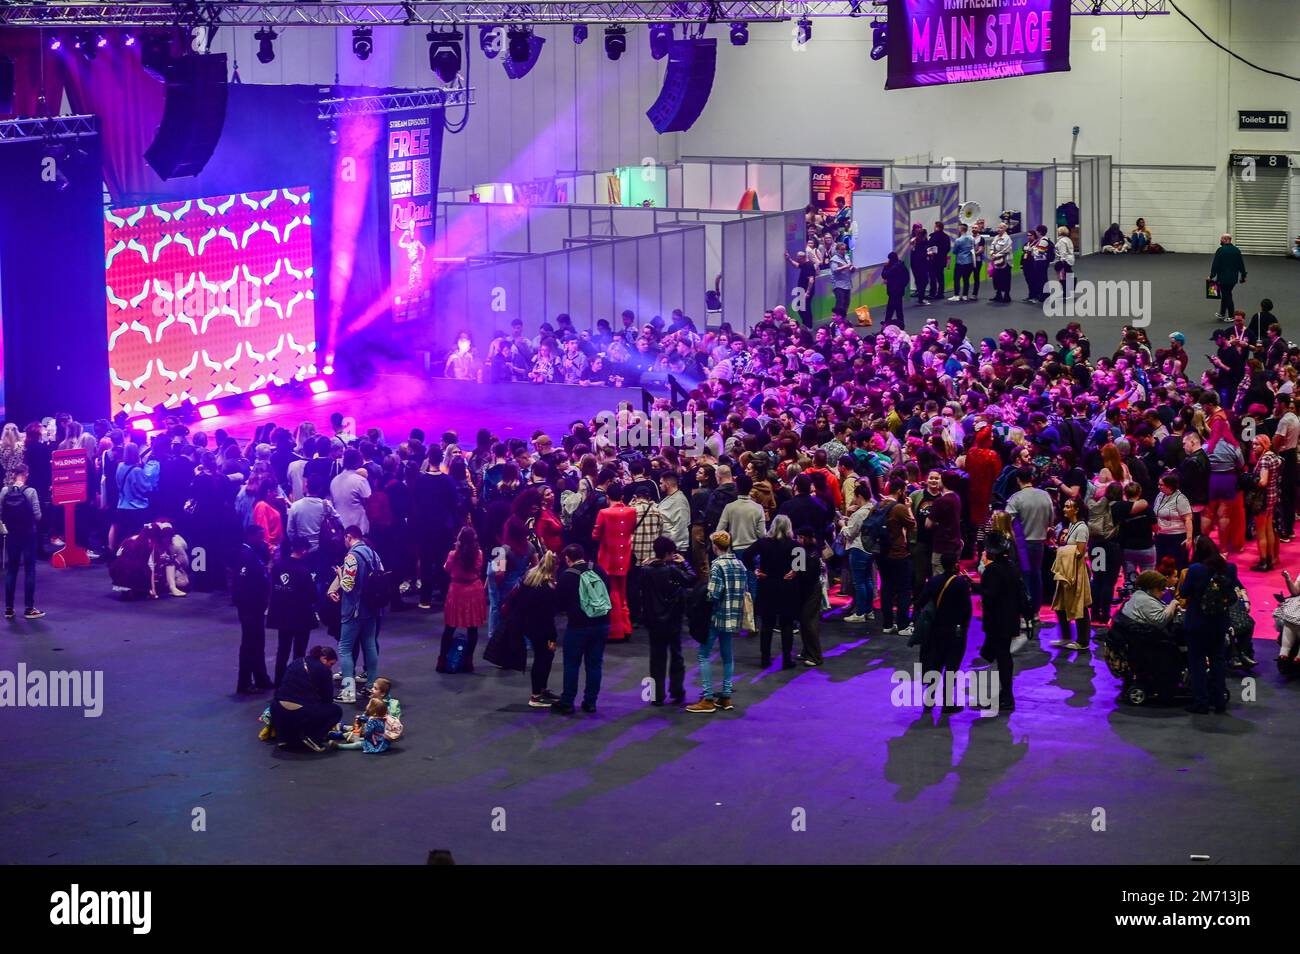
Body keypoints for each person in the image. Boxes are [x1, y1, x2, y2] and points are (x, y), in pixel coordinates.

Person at [686, 530, 748, 713]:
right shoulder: (739, 564)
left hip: (716, 616)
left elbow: (714, 594)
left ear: (714, 546)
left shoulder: (717, 565)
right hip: (732, 616)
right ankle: (726, 696)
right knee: (727, 656)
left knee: (704, 655)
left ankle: (707, 698)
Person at [1177, 536, 1236, 714]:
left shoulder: (1195, 569)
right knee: (1218, 660)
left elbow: (1184, 592)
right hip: (1219, 622)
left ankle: (1200, 702)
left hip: (1197, 623)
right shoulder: (1230, 568)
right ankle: (1219, 701)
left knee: (1197, 663)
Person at [553, 543, 612, 715]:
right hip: (601, 623)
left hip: (578, 625)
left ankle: (568, 702)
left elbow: (559, 604)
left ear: (567, 558)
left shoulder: (567, 575)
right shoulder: (599, 570)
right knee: (594, 664)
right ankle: (590, 702)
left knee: (572, 664)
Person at [639, 536, 695, 705]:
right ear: (669, 553)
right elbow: (691, 578)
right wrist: (684, 563)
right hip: (672, 619)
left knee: (656, 658)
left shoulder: (646, 571)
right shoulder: (672, 570)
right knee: (676, 655)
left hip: (653, 620)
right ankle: (677, 690)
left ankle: (656, 695)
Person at [915, 551, 972, 711]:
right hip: (954, 631)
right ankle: (947, 701)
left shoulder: (933, 581)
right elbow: (967, 610)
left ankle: (929, 698)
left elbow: (920, 602)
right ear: (956, 564)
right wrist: (964, 627)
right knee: (951, 667)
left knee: (935, 664)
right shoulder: (961, 583)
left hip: (935, 629)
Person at [333, 524, 384, 703]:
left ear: (348, 536)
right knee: (369, 644)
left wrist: (340, 573)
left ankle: (347, 693)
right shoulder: (374, 554)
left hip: (353, 610)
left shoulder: (352, 556)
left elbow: (347, 585)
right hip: (372, 608)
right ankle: (371, 686)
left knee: (345, 649)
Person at [742, 514, 799, 669]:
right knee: (787, 624)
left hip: (767, 585)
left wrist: (754, 570)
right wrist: (794, 572)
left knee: (767, 624)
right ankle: (787, 659)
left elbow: (746, 555)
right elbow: (801, 565)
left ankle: (765, 658)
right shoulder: (794, 545)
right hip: (786, 587)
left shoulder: (763, 543)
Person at [505, 551, 560, 707]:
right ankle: (536, 695)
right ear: (554, 567)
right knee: (544, 659)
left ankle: (541, 690)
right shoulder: (548, 587)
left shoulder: (529, 578)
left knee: (541, 658)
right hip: (542, 628)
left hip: (527, 625)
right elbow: (548, 615)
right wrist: (553, 637)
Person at [972, 531, 1019, 712]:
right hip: (1010, 618)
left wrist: (975, 586)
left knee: (1001, 656)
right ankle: (1006, 694)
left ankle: (1007, 695)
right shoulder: (1011, 566)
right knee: (1001, 654)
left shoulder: (993, 570)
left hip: (998, 620)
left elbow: (990, 594)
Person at [267, 536, 319, 687]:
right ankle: (296, 682)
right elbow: (313, 596)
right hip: (300, 616)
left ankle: (279, 681)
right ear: (304, 551)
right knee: (299, 652)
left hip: (282, 615)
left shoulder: (277, 567)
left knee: (282, 649)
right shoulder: (303, 571)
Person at [270, 645, 341, 752]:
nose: (330, 667)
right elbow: (327, 699)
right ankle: (313, 738)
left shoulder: (296, 662)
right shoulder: (324, 671)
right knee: (335, 711)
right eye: (331, 664)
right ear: (323, 658)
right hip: (299, 711)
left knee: (287, 704)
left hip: (276, 708)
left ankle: (283, 738)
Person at [439, 525, 487, 674]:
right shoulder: (479, 553)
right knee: (472, 629)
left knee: (450, 627)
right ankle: (468, 661)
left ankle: (442, 660)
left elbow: (446, 569)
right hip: (474, 591)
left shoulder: (453, 554)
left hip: (457, 591)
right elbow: (479, 569)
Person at [592, 482, 637, 641]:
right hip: (624, 556)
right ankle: (626, 627)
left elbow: (595, 535)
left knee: (611, 594)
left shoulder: (604, 513)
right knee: (622, 593)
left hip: (607, 557)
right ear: (623, 497)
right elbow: (631, 530)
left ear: (607, 497)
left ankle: (615, 631)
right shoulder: (632, 512)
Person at [232, 525, 273, 694]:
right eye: (259, 536)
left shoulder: (254, 554)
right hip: (249, 607)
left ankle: (261, 678)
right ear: (250, 536)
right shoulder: (245, 555)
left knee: (258, 643)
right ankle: (245, 683)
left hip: (255, 606)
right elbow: (242, 584)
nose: (262, 539)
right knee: (249, 644)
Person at [1049, 497, 1092, 652]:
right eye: (1065, 506)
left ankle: (1083, 641)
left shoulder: (1081, 528)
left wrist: (1060, 551)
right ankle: (1066, 636)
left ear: (1077, 510)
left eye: (1068, 506)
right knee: (1060, 604)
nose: (1065, 509)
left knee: (1080, 605)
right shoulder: (1072, 525)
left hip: (1076, 572)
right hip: (1066, 570)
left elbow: (1080, 551)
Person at [1, 464, 44, 620]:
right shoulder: (31, 492)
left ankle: (9, 609)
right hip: (29, 534)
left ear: (13, 475)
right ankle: (29, 608)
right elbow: (38, 515)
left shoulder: (5, 491)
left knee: (11, 570)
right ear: (26, 474)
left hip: (12, 535)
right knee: (29, 570)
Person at [1209, 233, 1247, 322]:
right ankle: (1222, 313)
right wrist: (1243, 275)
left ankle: (1231, 315)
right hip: (1233, 278)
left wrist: (1211, 276)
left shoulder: (1220, 250)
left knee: (1227, 295)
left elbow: (1215, 265)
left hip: (1223, 278)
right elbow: (1241, 264)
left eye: (1221, 239)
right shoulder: (1236, 250)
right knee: (1226, 294)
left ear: (1226, 240)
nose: (1220, 241)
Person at [881, 251, 910, 328]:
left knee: (890, 311)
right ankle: (901, 325)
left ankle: (885, 326)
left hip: (893, 292)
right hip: (899, 291)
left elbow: (885, 275)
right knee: (899, 310)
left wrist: (885, 267)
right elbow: (907, 278)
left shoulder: (893, 267)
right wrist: (902, 286)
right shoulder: (902, 265)